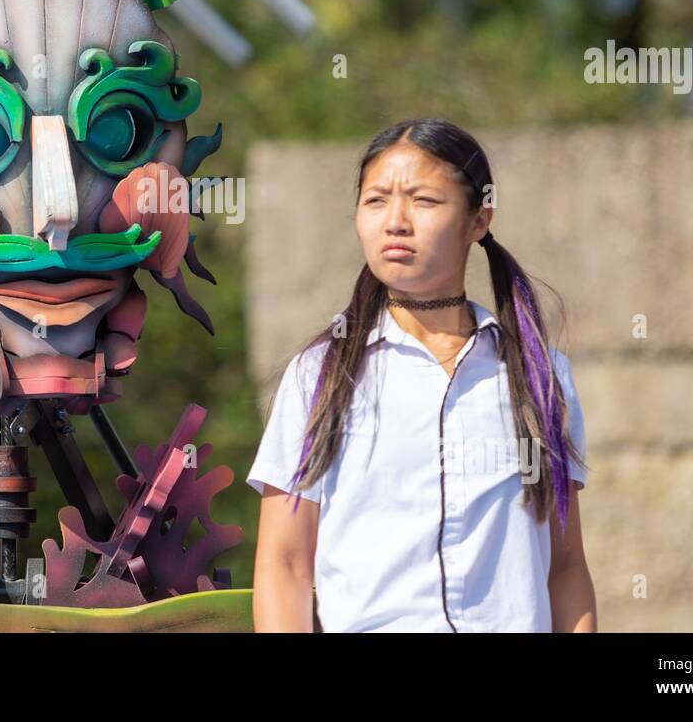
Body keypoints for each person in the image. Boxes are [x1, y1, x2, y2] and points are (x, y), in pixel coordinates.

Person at [248, 118, 595, 632]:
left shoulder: (539, 376)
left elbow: (565, 569)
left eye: (424, 201)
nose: (396, 221)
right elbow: (285, 565)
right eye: (376, 200)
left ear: (479, 219)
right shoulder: (320, 376)